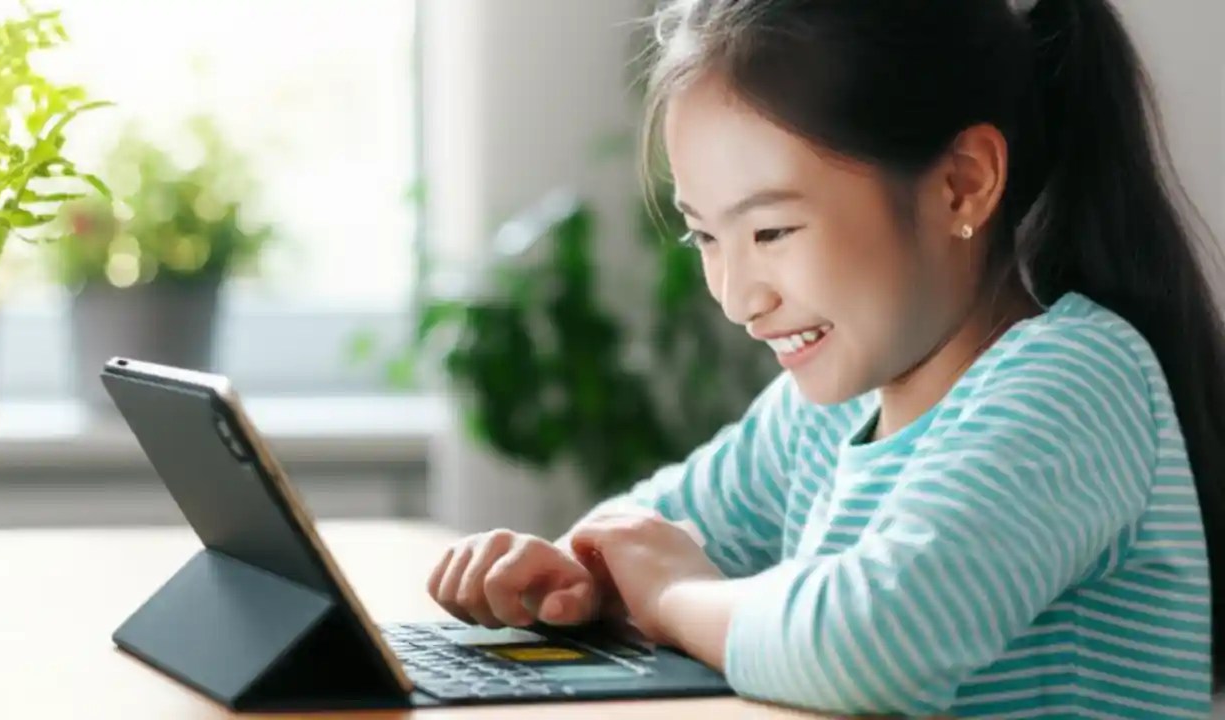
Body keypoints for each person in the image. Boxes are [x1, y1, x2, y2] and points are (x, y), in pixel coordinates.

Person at [426, 0, 1222, 716]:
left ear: (961, 184)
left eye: (771, 231)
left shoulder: (1074, 384)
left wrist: (671, 594)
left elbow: (876, 644)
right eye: (706, 235)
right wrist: (567, 574)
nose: (737, 296)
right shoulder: (832, 409)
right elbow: (645, 532)